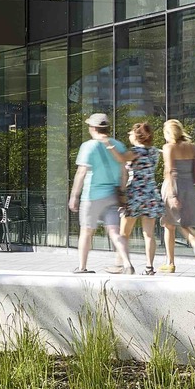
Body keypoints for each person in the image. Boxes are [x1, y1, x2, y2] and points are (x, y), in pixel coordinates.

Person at [69, 110, 133, 273]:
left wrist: (74, 196)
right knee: (114, 231)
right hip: (112, 195)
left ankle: (82, 267)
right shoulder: (118, 145)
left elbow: (81, 172)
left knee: (86, 231)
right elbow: (124, 172)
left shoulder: (88, 146)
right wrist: (122, 191)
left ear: (92, 128)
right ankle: (127, 263)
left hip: (92, 196)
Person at [160, 117, 195, 273]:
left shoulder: (169, 148)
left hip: (174, 187)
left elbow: (169, 171)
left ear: (168, 133)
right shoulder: (191, 147)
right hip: (189, 188)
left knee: (169, 225)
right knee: (185, 224)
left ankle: (171, 262)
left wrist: (172, 196)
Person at [121, 119, 170, 274]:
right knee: (149, 234)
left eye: (131, 133)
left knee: (124, 233)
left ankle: (126, 264)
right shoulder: (154, 151)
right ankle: (149, 267)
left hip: (135, 194)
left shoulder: (134, 152)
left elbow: (119, 159)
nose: (129, 135)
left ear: (136, 136)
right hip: (150, 194)